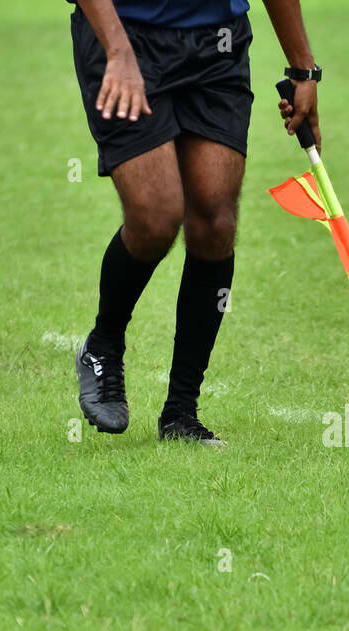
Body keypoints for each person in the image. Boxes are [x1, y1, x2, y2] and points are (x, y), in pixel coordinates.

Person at [69, 0, 323, 445]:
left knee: (215, 221)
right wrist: (117, 50)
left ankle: (182, 413)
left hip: (216, 44)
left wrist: (303, 69)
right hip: (127, 36)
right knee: (156, 217)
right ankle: (103, 344)